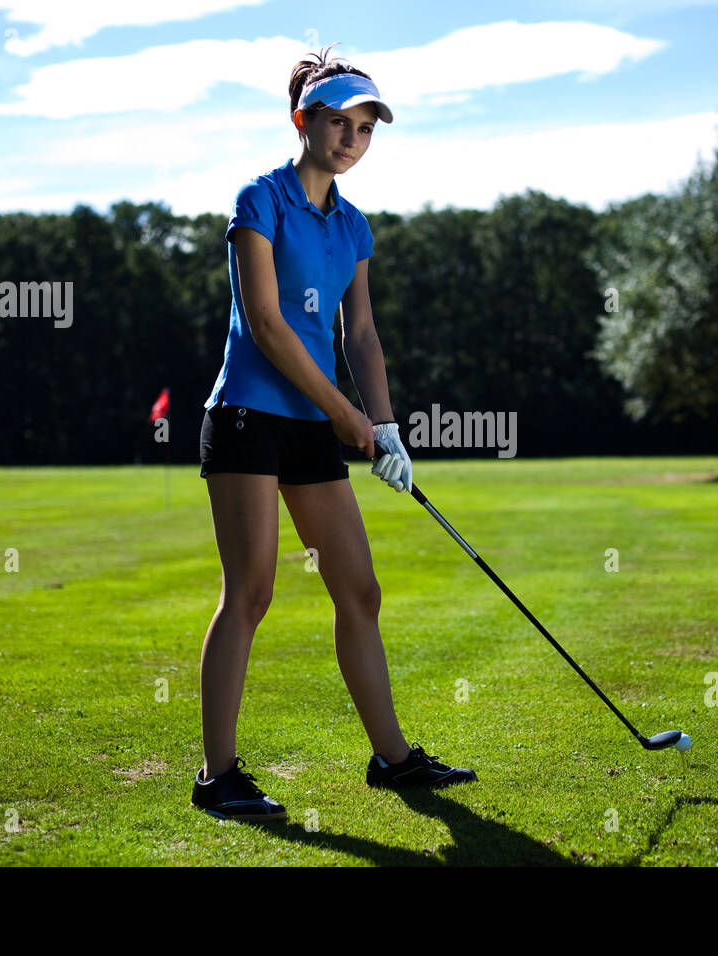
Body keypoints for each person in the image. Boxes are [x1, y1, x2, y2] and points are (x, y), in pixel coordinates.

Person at [190, 43, 476, 822]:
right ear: (303, 120)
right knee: (249, 594)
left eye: (366, 128)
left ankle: (393, 760)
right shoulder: (261, 200)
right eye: (339, 122)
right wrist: (350, 418)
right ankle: (218, 777)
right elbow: (269, 327)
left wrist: (384, 424)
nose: (352, 139)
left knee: (360, 589)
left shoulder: (354, 227)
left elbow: (363, 336)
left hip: (316, 426)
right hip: (248, 416)